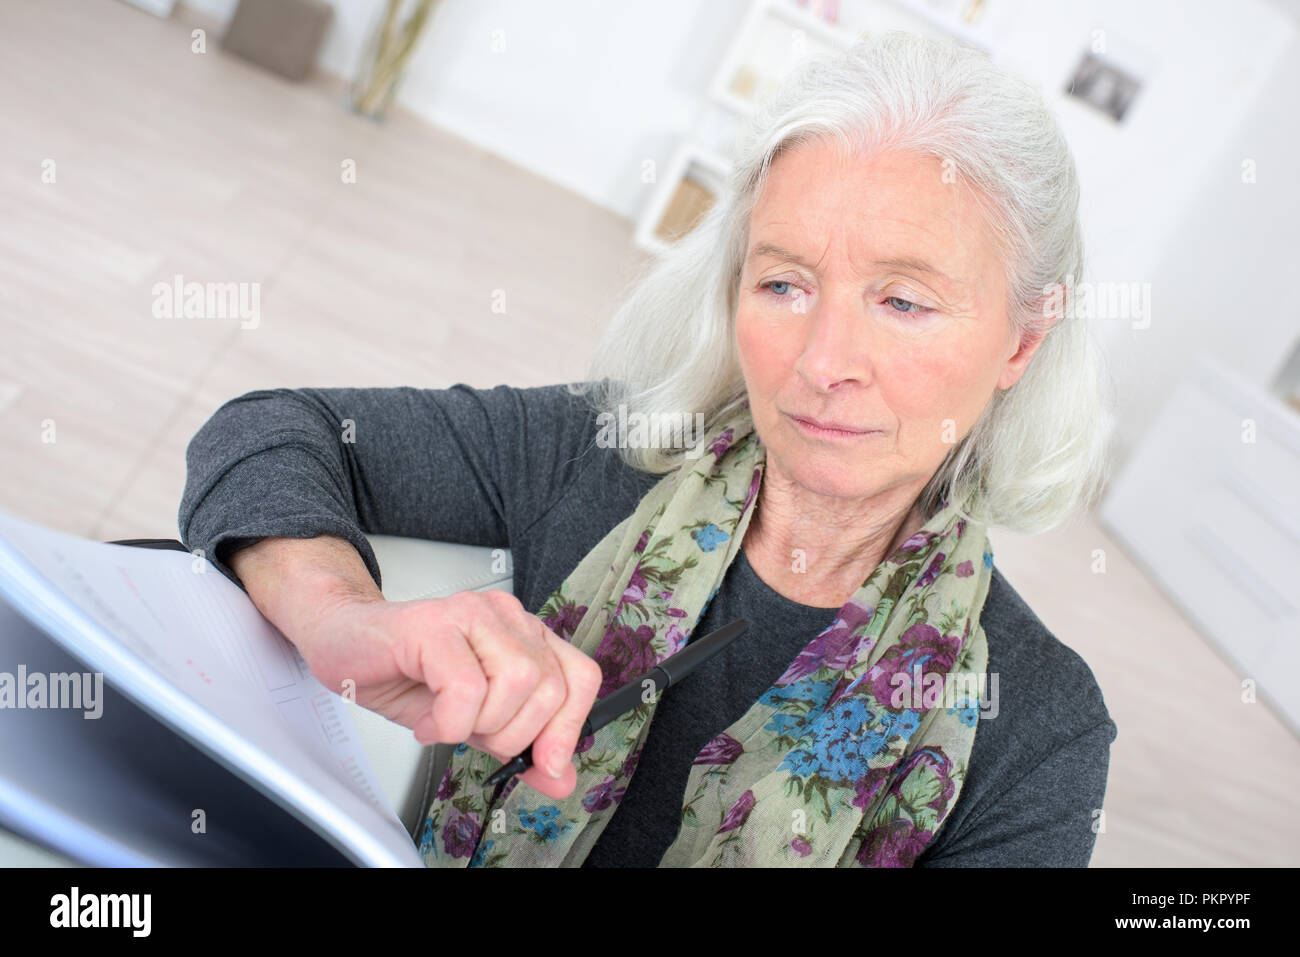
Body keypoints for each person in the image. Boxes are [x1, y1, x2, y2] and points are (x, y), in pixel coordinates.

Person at [179, 32, 1117, 867]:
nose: (823, 363)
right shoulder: (600, 457)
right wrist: (342, 616)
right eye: (784, 284)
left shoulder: (1039, 724)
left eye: (904, 301)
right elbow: (272, 429)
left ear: (1023, 340)